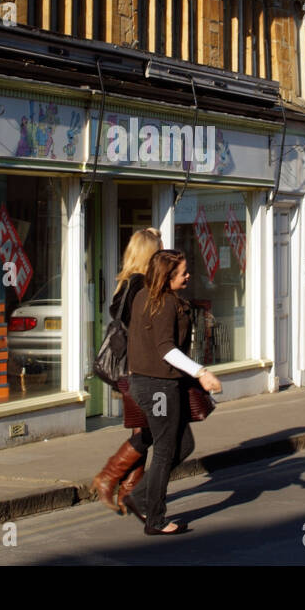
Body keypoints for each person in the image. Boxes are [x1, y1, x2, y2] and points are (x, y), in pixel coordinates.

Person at [122, 249, 222, 535]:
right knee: (166, 452)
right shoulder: (164, 303)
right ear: (167, 277)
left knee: (183, 445)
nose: (189, 275)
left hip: (154, 383)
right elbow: (166, 348)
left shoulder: (145, 296)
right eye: (183, 272)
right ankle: (155, 519)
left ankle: (139, 498)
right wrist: (201, 372)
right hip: (158, 388)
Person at [91, 228, 161, 513]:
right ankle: (108, 478)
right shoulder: (141, 286)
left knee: (143, 428)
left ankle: (128, 493)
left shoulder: (125, 284)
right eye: (160, 249)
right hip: (138, 369)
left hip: (127, 370)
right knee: (151, 430)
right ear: (150, 254)